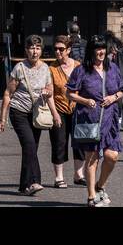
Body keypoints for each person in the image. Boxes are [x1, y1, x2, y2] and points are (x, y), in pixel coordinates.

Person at [67, 35, 123, 206]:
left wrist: (113, 97)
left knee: (112, 156)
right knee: (92, 158)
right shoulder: (81, 70)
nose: (100, 52)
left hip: (110, 119)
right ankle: (91, 196)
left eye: (103, 48)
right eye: (97, 49)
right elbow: (69, 93)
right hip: (90, 119)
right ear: (91, 51)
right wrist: (85, 101)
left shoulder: (113, 68)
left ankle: (101, 186)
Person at [0, 35, 61, 196]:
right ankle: (34, 181)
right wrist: (2, 118)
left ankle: (23, 186)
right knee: (30, 145)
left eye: (38, 48)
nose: (35, 51)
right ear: (26, 50)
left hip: (37, 113)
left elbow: (50, 93)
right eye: (32, 48)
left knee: (30, 149)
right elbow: (7, 93)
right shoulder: (19, 68)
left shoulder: (46, 69)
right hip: (18, 111)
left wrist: (55, 114)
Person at [48, 34, 84, 187]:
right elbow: (49, 93)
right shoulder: (52, 68)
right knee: (59, 143)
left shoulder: (78, 66)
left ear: (68, 50)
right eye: (55, 49)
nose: (58, 52)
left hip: (77, 110)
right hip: (59, 110)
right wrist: (54, 113)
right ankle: (59, 177)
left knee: (80, 143)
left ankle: (78, 174)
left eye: (61, 49)